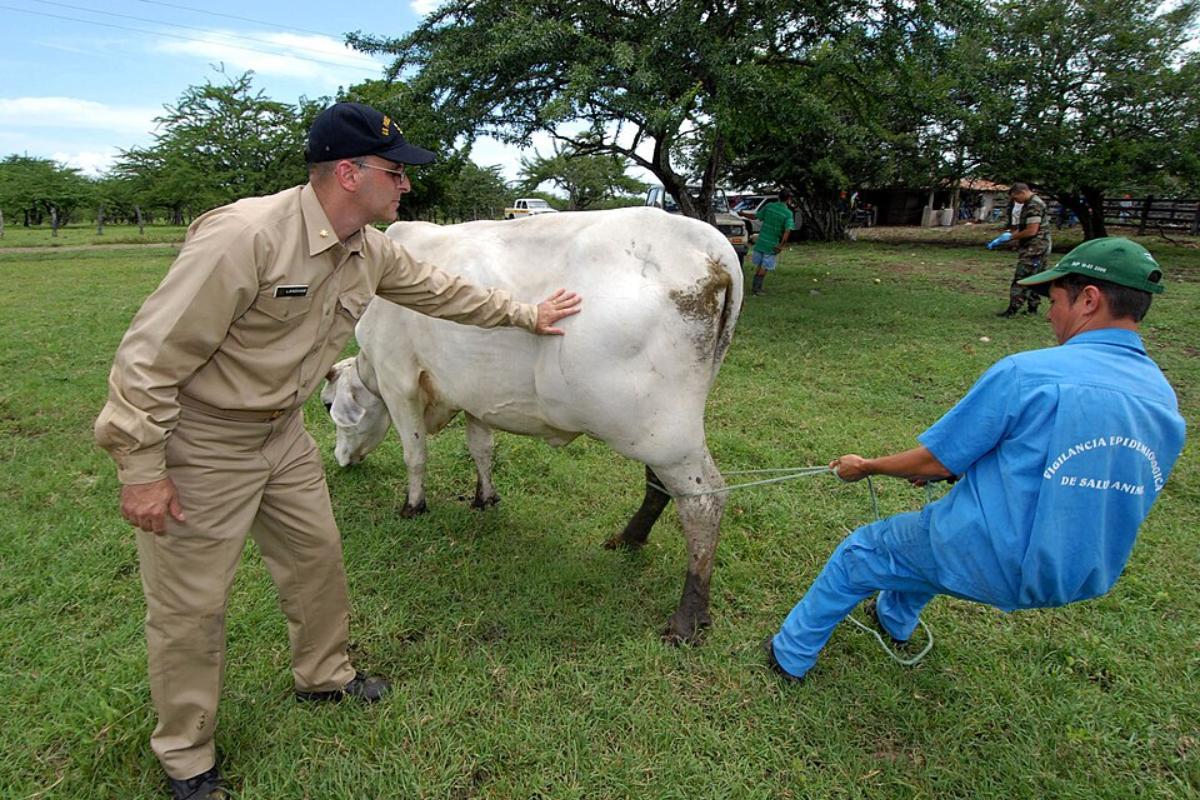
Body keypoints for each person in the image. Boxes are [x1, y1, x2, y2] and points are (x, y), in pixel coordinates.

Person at [94, 102, 582, 800]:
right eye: (394, 172)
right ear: (348, 173)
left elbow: (442, 292)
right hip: (201, 442)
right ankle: (186, 755)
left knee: (316, 559)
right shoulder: (246, 237)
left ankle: (324, 676)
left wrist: (523, 313)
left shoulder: (367, 248)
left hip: (282, 433)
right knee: (190, 606)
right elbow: (147, 359)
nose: (405, 186)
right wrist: (142, 468)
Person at [764, 237, 1185, 684]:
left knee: (862, 552)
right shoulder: (1164, 400)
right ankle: (894, 618)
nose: (1049, 313)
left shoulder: (1028, 373)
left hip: (991, 557)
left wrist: (865, 466)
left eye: (1056, 299)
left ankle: (789, 656)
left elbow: (936, 463)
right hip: (1076, 573)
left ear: (1089, 299)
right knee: (922, 542)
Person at [991, 182, 1053, 317]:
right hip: (1040, 246)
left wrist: (1011, 237)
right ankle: (1032, 308)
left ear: (1022, 192)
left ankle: (1013, 309)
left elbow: (1031, 231)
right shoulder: (1031, 203)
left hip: (1035, 247)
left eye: (1015, 197)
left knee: (1022, 277)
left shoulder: (1034, 205)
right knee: (1037, 277)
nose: (1015, 201)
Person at [749, 190, 798, 296]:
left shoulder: (769, 206)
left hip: (761, 241)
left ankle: (754, 287)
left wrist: (743, 214)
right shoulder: (788, 213)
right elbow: (787, 230)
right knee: (765, 266)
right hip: (772, 243)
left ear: (778, 197)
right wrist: (781, 245)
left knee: (759, 265)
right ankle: (757, 289)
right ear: (789, 199)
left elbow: (756, 216)